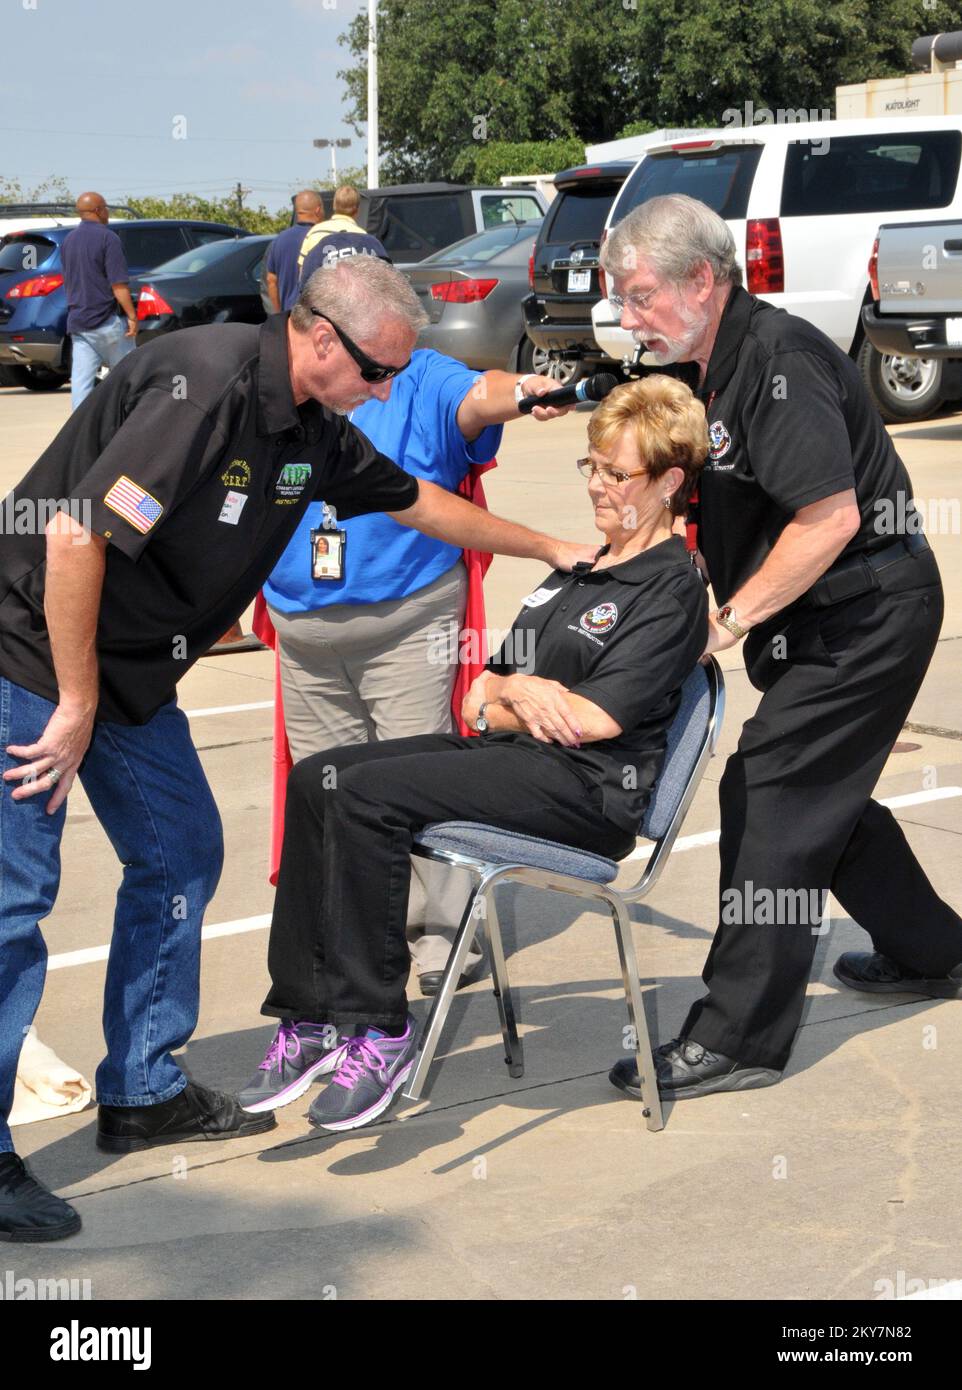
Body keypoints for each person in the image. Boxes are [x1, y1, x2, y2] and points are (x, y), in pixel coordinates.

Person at [0, 255, 599, 1242]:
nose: (389, 390)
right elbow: (73, 540)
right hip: (34, 657)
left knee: (182, 852)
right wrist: (70, 700)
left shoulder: (315, 432)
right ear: (320, 338)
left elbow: (412, 499)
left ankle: (143, 1086)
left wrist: (548, 547)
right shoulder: (206, 390)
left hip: (130, 672)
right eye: (377, 371)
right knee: (16, 897)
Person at [236, 375, 710, 1126]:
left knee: (366, 794)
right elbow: (478, 695)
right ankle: (310, 1016)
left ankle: (381, 1027)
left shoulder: (671, 588)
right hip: (524, 763)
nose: (598, 487)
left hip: (589, 794)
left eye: (617, 475)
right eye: (592, 466)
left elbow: (590, 721)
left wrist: (513, 700)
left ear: (671, 481)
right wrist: (517, 697)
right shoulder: (573, 572)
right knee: (319, 776)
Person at [598, 194, 962, 1104]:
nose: (626, 316)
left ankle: (737, 1035)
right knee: (815, 795)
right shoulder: (715, 367)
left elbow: (831, 518)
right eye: (618, 297)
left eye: (639, 296)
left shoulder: (779, 360)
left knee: (769, 788)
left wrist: (727, 623)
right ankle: (935, 951)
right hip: (826, 618)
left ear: (703, 279)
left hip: (870, 610)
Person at [259, 336, 566, 997]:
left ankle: (441, 936)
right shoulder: (287, 379)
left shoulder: (416, 374)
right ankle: (356, 936)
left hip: (408, 622)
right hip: (304, 633)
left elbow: (478, 395)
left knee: (414, 781)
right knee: (330, 792)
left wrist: (524, 391)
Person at [60, 192, 137, 411]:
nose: (107, 212)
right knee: (131, 376)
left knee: (81, 386)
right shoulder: (108, 238)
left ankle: (79, 434)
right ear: (98, 210)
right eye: (106, 207)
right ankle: (134, 426)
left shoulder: (68, 241)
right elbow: (118, 285)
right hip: (106, 321)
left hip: (79, 322)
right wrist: (131, 315)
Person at [297, 184, 388, 282]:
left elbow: (303, 273)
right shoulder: (363, 237)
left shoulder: (314, 232)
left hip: (320, 294)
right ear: (357, 209)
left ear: (334, 205)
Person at [265, 189, 324, 312]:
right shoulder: (321, 238)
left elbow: (271, 280)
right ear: (318, 210)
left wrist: (278, 313)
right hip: (315, 317)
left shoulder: (279, 240)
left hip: (289, 317)